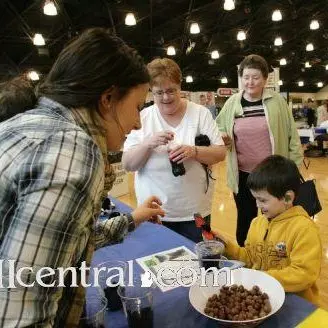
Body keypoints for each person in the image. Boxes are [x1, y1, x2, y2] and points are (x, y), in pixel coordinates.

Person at [0, 28, 165, 327]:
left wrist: (131, 219)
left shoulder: (28, 123)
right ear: (108, 98)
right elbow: (22, 315)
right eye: (137, 107)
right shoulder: (72, 148)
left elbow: (66, 241)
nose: (138, 122)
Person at [122, 58, 226, 242]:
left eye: (171, 90)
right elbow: (128, 164)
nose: (166, 97)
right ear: (150, 92)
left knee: (198, 259)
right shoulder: (143, 118)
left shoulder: (200, 113)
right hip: (154, 213)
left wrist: (194, 151)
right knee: (157, 263)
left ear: (180, 86)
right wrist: (147, 144)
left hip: (196, 210)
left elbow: (220, 153)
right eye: (159, 92)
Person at [216, 54, 303, 246]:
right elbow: (217, 127)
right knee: (245, 218)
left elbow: (292, 136)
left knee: (277, 219)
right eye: (246, 77)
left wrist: (293, 171)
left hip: (274, 176)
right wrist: (223, 135)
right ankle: (245, 255)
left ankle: (275, 254)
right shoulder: (232, 103)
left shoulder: (277, 102)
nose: (250, 82)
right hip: (243, 175)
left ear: (265, 79)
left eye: (255, 77)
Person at [215, 155, 322, 304]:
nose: (258, 205)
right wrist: (227, 248)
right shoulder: (257, 223)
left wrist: (262, 277)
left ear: (287, 198)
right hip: (264, 297)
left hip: (295, 303)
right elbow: (251, 257)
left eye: (263, 200)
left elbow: (304, 274)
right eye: (256, 199)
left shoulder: (304, 229)